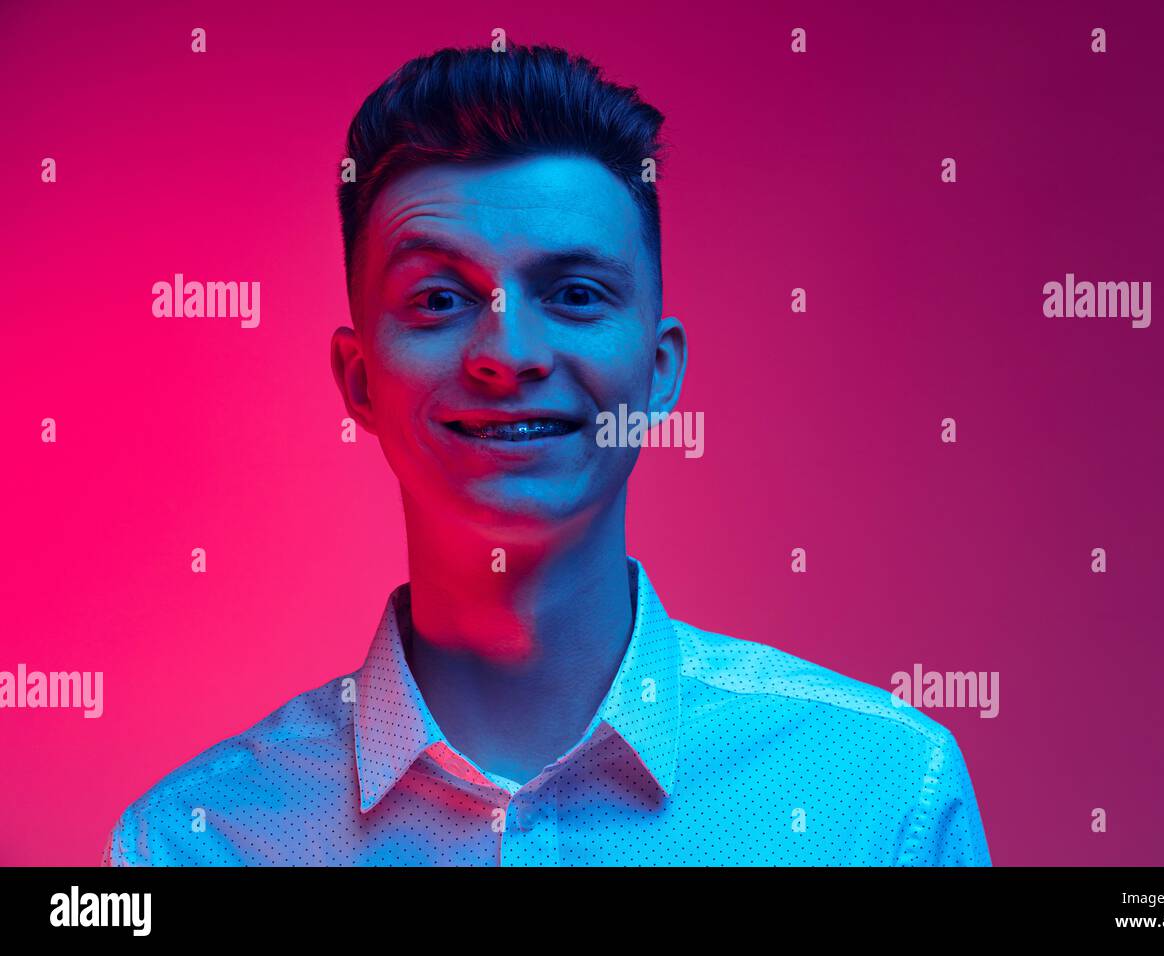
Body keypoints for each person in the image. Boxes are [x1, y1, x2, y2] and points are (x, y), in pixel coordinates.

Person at [102, 43, 991, 866]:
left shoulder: (881, 798)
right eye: (440, 298)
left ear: (659, 369)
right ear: (360, 380)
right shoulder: (195, 842)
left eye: (573, 293)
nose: (510, 353)